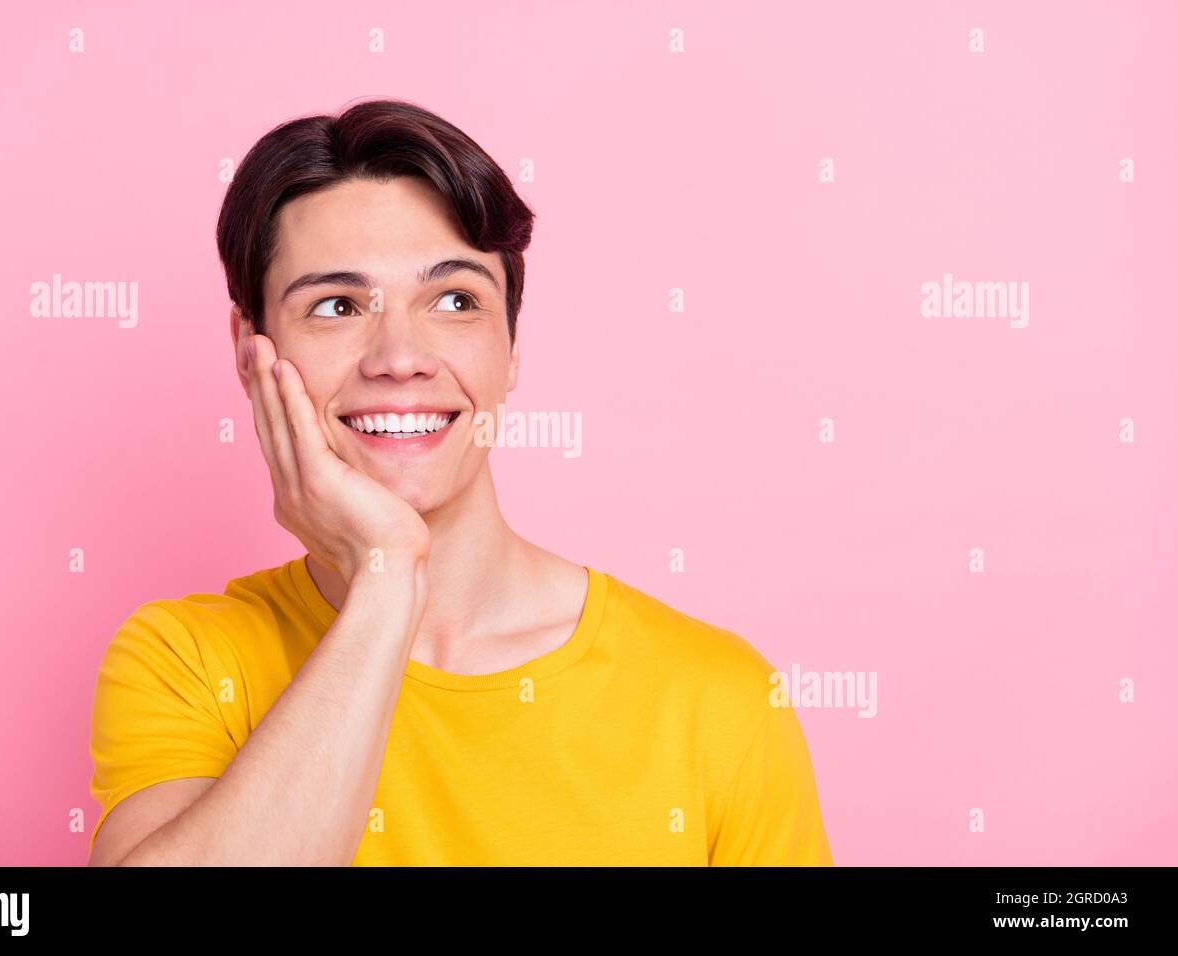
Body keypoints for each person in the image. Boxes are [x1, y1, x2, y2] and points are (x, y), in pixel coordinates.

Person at [86, 98, 834, 866]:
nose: (399, 357)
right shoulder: (185, 661)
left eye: (455, 301)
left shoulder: (716, 697)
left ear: (512, 344)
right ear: (251, 346)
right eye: (337, 306)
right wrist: (386, 579)